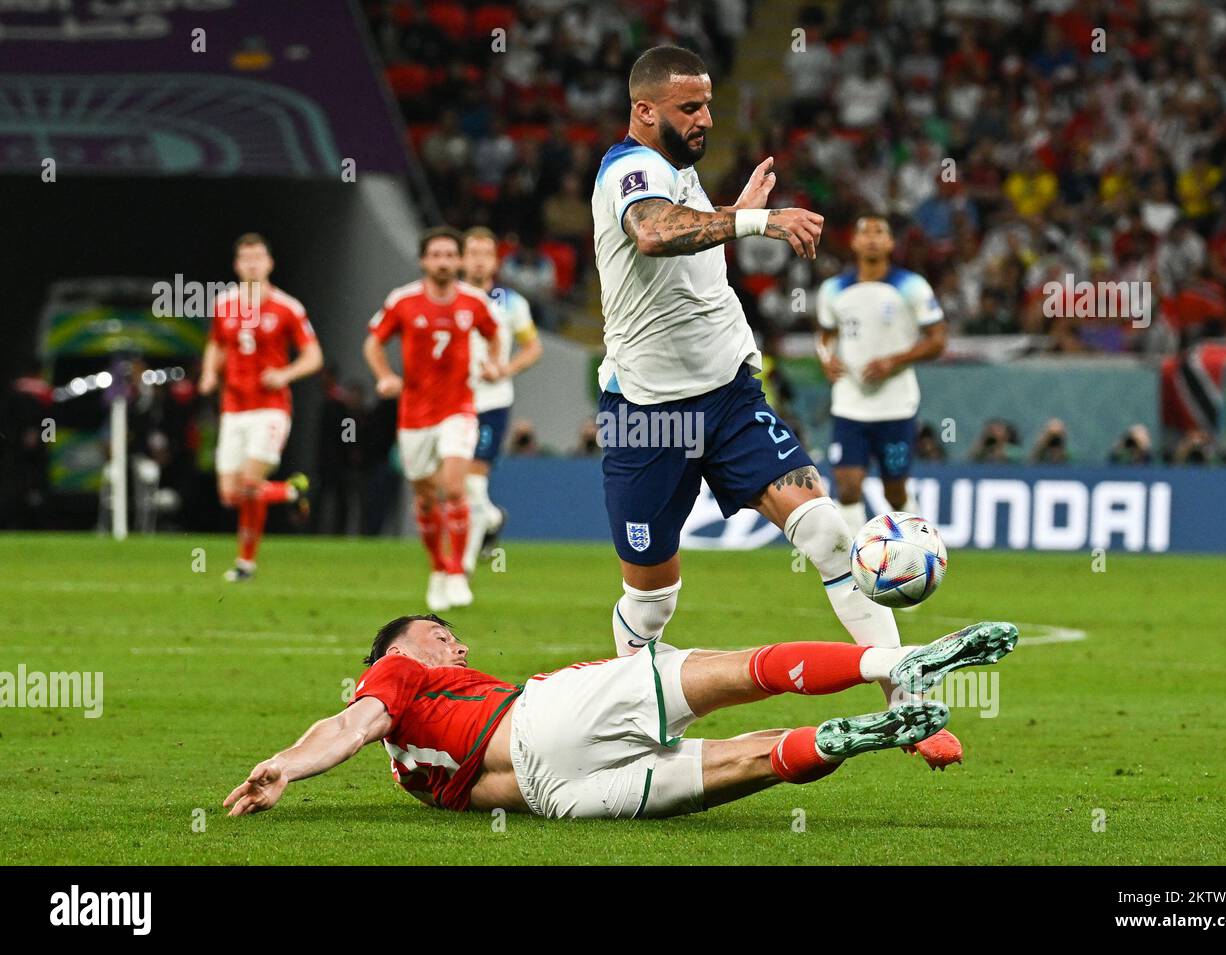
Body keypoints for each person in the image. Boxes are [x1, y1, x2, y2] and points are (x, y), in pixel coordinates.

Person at [590, 45, 960, 769]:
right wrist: (755, 223)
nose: (705, 118)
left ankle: (904, 694)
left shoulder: (681, 174)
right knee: (653, 599)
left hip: (729, 396)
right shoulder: (629, 169)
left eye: (707, 104)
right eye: (688, 107)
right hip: (648, 415)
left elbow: (686, 243)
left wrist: (731, 214)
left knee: (824, 528)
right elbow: (653, 233)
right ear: (644, 111)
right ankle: (634, 721)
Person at [224, 613, 1018, 820]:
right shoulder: (395, 671)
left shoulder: (411, 778)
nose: (456, 644)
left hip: (557, 800)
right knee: (725, 674)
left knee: (741, 762)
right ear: (396, 649)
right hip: (540, 717)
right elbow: (349, 724)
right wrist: (291, 760)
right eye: (441, 635)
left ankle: (839, 741)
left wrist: (283, 768)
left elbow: (358, 734)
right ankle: (888, 662)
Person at [363, 227, 502, 611]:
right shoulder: (403, 301)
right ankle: (438, 568)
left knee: (455, 488)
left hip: (458, 409)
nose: (442, 261)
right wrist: (385, 376)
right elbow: (373, 341)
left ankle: (458, 570)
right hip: (414, 415)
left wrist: (492, 362)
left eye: (448, 255)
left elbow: (493, 335)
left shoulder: (474, 302)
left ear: (458, 260)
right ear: (424, 260)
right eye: (435, 255)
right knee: (425, 498)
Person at [198, 234, 322, 582]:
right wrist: (209, 373)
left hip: (270, 408)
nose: (253, 264)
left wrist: (285, 373)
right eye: (246, 258)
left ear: (269, 263)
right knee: (231, 494)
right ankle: (292, 491)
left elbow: (314, 356)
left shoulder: (288, 307)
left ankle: (244, 563)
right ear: (237, 265)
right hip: (234, 407)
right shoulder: (224, 304)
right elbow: (217, 345)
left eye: (258, 258)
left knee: (250, 482)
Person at [815, 213, 948, 527]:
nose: (872, 237)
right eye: (865, 231)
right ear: (854, 242)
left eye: (880, 232)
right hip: (850, 403)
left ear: (890, 243)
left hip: (895, 405)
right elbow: (825, 334)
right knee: (847, 487)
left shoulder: (911, 286)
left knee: (895, 491)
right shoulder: (833, 289)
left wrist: (894, 361)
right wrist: (825, 356)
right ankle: (855, 563)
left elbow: (939, 340)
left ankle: (920, 547)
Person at [460, 227, 544, 572]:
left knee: (474, 476)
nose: (479, 260)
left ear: (495, 261)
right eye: (473, 253)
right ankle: (492, 518)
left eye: (486, 254)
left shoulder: (510, 302)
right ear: (463, 259)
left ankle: (462, 563)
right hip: (451, 402)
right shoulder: (451, 298)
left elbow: (533, 347)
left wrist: (506, 368)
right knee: (452, 481)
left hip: (492, 400)